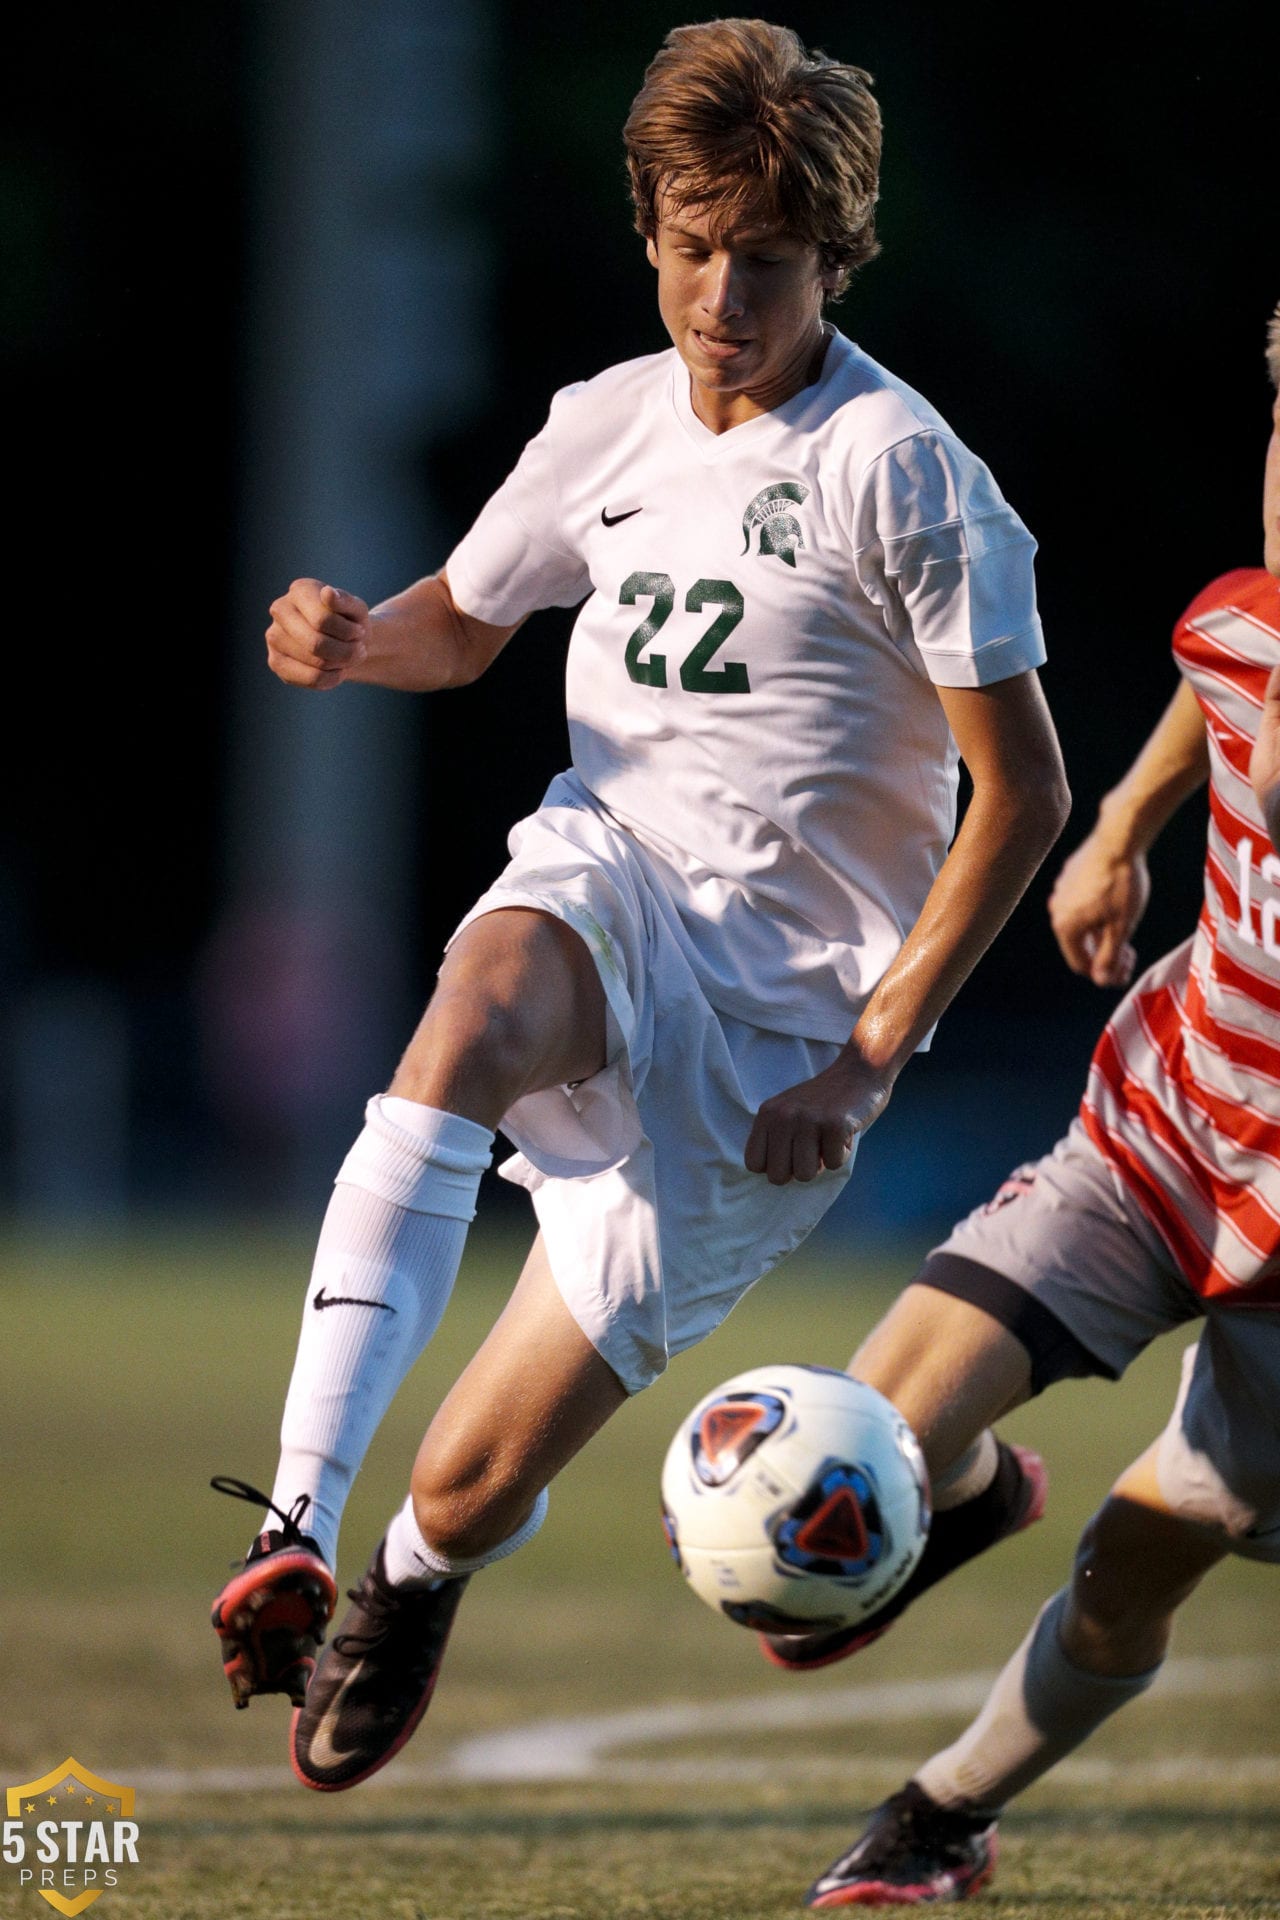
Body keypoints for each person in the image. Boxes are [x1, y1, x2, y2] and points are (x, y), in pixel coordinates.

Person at [209, 17, 1068, 1795]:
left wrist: (867, 1059)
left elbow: (1029, 794)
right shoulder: (604, 420)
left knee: (467, 1485)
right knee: (476, 1000)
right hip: (613, 883)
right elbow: (468, 615)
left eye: (766, 261)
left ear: (836, 258)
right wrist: (361, 640)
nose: (723, 297)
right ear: (654, 236)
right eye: (693, 251)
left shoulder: (899, 469)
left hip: (771, 1044)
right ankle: (295, 1520)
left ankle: (417, 1572)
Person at [796, 301, 1280, 1907]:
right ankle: (975, 1489)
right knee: (847, 1460)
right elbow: (1225, 682)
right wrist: (1126, 825)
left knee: (1145, 1560)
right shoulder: (1250, 620)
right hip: (1160, 1130)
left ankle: (941, 1814)